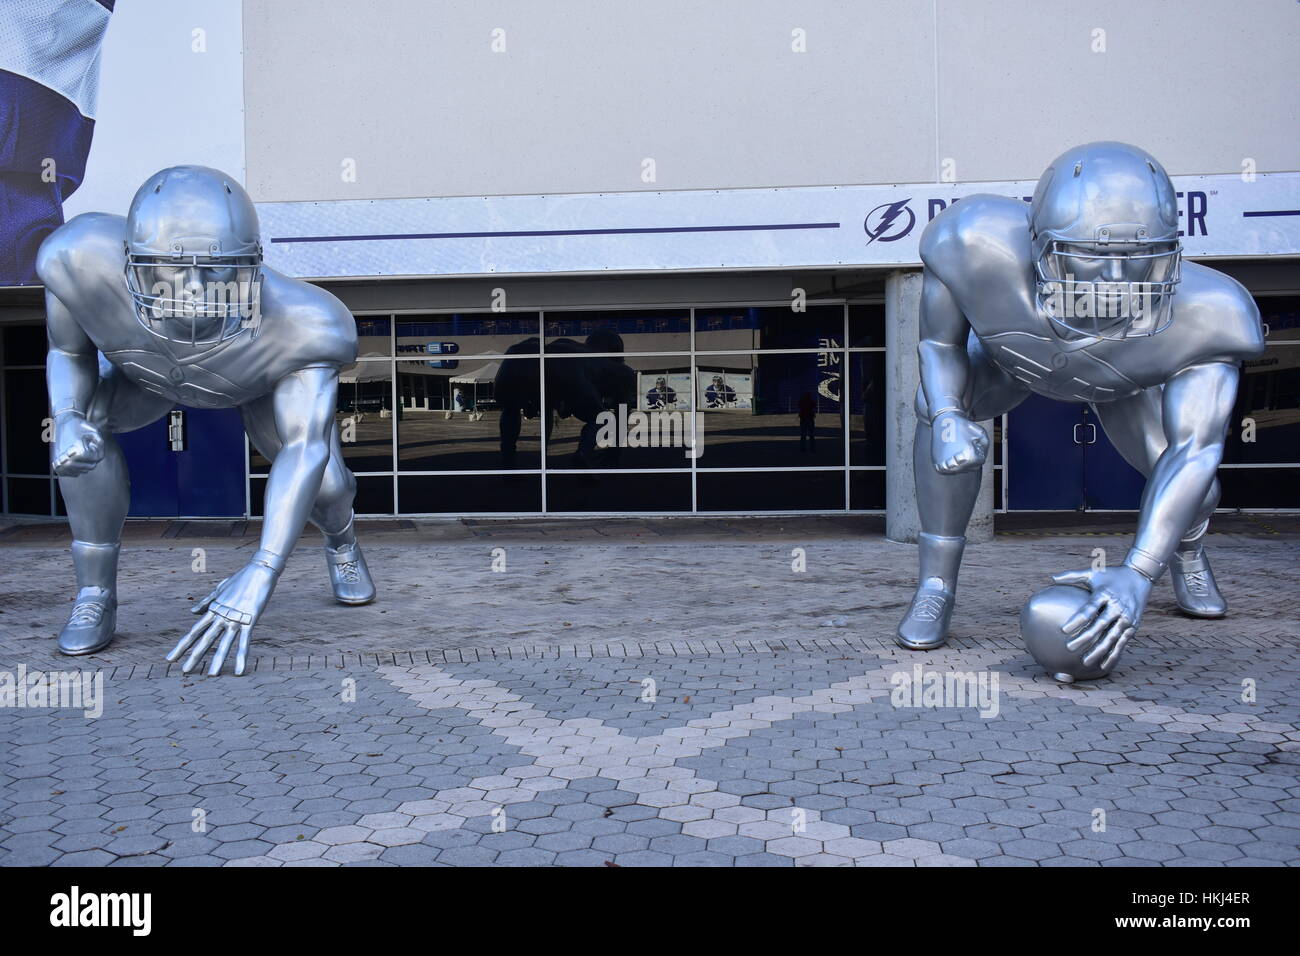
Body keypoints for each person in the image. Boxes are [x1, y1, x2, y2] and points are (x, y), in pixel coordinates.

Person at [896, 142, 1263, 676]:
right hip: (1011, 364)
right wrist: (952, 415)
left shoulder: (1214, 312)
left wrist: (1138, 573)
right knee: (934, 410)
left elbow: (1195, 449)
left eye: (1139, 254)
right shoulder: (969, 243)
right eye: (1091, 253)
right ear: (1037, 243)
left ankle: (1186, 552)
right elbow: (941, 345)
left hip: (1124, 383)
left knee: (1198, 489)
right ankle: (936, 583)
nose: (1116, 279)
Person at [38, 166, 376, 675]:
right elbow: (67, 350)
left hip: (252, 384)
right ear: (130, 262)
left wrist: (263, 568)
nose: (195, 289)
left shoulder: (308, 323)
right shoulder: (75, 259)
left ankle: (342, 542)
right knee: (81, 436)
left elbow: (305, 445)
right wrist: (65, 415)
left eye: (217, 268)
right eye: (173, 268)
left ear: (252, 263)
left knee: (326, 485)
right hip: (144, 378)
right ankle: (94, 592)